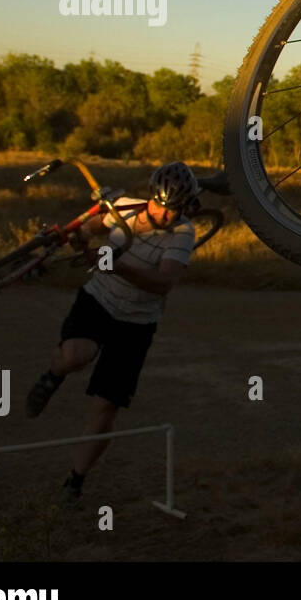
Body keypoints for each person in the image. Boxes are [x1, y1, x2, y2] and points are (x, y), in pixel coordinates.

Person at [25, 161, 201, 506]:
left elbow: (163, 283)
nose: (166, 216)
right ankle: (52, 376)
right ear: (151, 196)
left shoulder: (183, 233)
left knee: (105, 408)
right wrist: (78, 237)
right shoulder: (124, 208)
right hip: (97, 301)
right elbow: (88, 229)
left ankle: (74, 482)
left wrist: (116, 263)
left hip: (136, 324)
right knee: (77, 355)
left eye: (174, 211)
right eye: (161, 207)